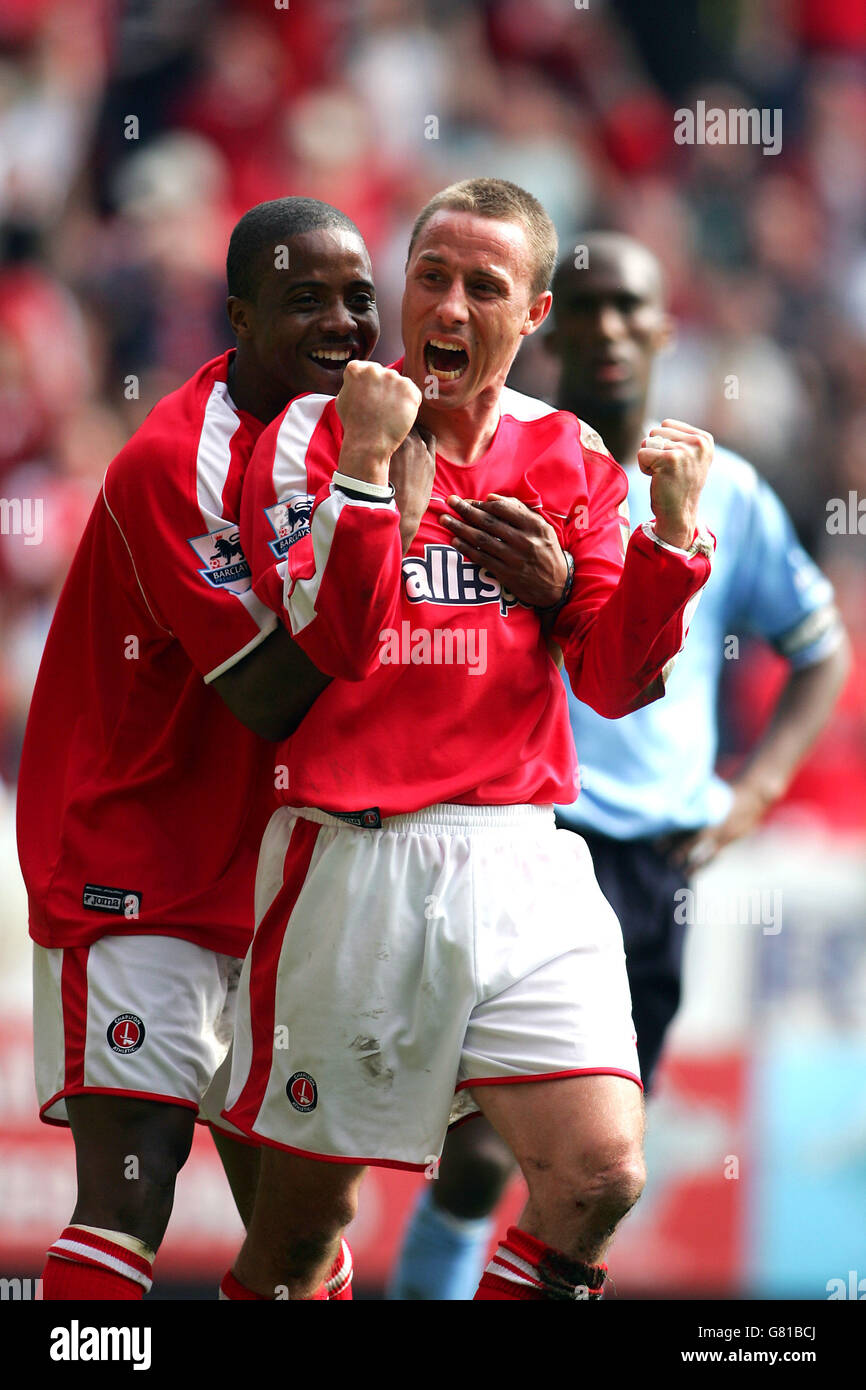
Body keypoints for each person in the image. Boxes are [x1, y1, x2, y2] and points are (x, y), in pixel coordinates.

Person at [218, 178, 715, 1303]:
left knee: (597, 1175)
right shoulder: (310, 429)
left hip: (524, 854)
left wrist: (669, 545)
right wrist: (365, 475)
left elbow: (614, 679)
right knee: (299, 1243)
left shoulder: (570, 456)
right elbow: (335, 645)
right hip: (355, 856)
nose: (445, 305)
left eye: (481, 286)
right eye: (429, 276)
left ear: (531, 314)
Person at [388, 231, 848, 1300]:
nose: (604, 328)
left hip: (656, 861)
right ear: (548, 324)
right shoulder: (498, 461)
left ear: (661, 329)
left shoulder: (719, 488)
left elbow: (816, 649)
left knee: (597, 1165)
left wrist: (754, 794)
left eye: (625, 309)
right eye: (584, 307)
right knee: (482, 1147)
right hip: (529, 836)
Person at [17, 195, 436, 1301]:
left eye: (358, 299)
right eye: (306, 301)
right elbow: (271, 695)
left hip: (276, 887)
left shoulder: (356, 444)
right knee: (132, 1195)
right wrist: (375, 502)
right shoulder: (177, 460)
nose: (344, 324)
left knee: (301, 1231)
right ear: (239, 318)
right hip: (135, 869)